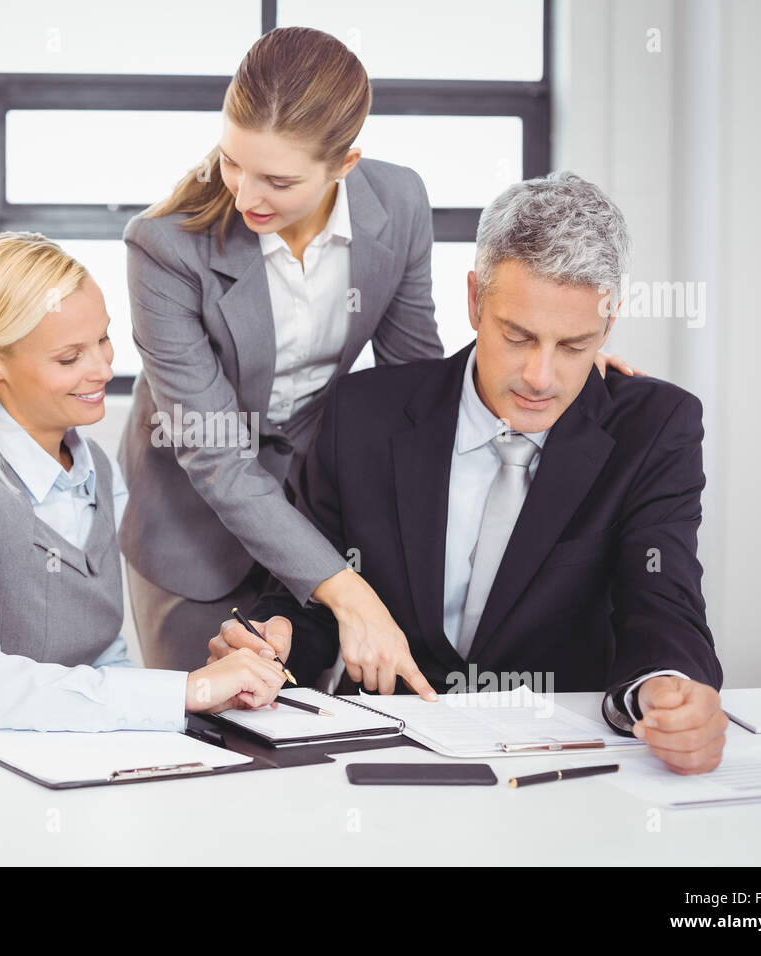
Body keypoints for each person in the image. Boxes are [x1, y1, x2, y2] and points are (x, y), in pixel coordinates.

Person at [118, 26, 638, 693]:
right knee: (209, 739)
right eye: (231, 162)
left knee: (313, 742)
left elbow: (413, 377)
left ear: (345, 163)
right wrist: (350, 594)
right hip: (196, 534)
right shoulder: (164, 249)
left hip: (325, 506)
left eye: (277, 179)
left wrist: (552, 362)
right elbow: (216, 456)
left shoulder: (397, 205)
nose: (245, 195)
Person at [211, 172, 728, 775]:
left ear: (608, 325)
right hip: (386, 759)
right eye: (518, 336)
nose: (540, 376)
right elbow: (316, 602)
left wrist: (663, 687)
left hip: (562, 766)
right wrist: (274, 645)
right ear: (475, 299)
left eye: (573, 345)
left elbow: (662, 598)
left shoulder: (655, 426)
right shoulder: (363, 414)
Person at [0, 232, 286, 730]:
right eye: (69, 357)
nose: (103, 369)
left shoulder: (97, 466)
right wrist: (182, 692)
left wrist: (197, 708)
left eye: (104, 338)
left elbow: (100, 659)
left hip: (65, 765)